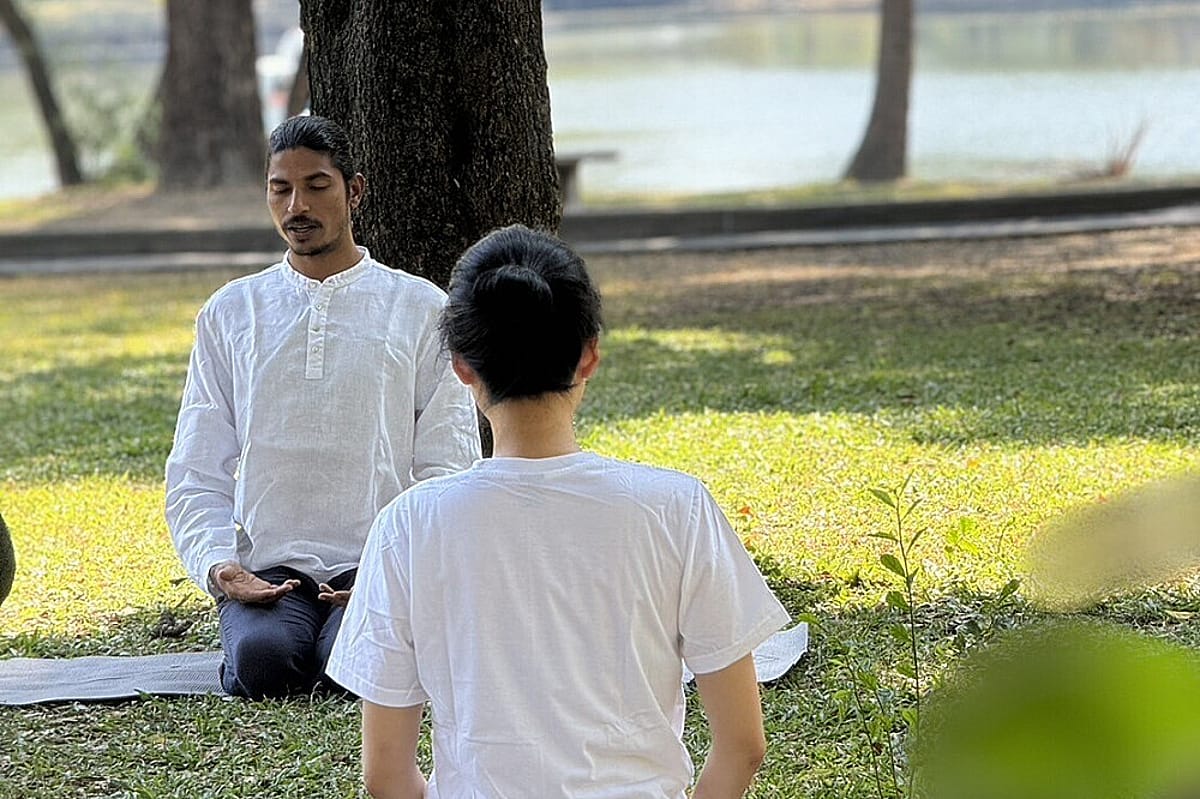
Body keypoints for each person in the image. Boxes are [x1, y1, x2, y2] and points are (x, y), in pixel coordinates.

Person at [326, 225, 790, 798]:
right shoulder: (676, 507)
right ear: (589, 354)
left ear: (461, 366)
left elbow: (386, 776)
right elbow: (743, 748)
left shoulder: (409, 525)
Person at [165, 115, 480, 699]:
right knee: (265, 664)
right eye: (280, 188)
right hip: (269, 571)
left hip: (378, 563)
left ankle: (368, 625)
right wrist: (219, 565)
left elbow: (448, 466)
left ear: (353, 190)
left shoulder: (418, 307)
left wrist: (404, 570)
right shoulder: (233, 312)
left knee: (351, 670)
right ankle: (265, 633)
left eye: (316, 185)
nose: (296, 207)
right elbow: (196, 465)